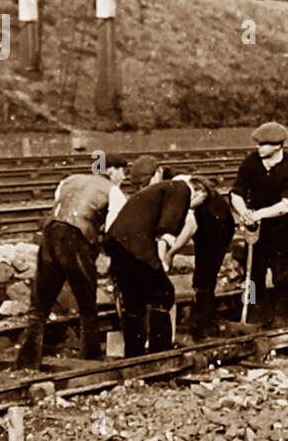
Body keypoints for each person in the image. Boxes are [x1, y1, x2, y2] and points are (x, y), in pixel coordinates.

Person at [17, 154, 131, 369]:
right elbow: (116, 229)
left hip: (50, 234)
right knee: (87, 302)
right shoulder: (113, 191)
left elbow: (61, 207)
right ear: (112, 170)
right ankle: (90, 357)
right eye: (122, 172)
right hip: (77, 239)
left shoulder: (68, 180)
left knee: (40, 304)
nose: (123, 178)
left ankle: (27, 360)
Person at [105, 176, 201, 358]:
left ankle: (134, 353)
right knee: (164, 294)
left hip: (116, 242)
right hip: (136, 245)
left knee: (133, 300)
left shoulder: (157, 191)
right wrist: (162, 261)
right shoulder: (182, 189)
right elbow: (165, 229)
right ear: (197, 190)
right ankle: (160, 350)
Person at [229, 122, 288, 328]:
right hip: (257, 233)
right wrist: (242, 210)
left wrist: (259, 214)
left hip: (282, 232)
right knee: (252, 277)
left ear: (278, 146)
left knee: (282, 277)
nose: (259, 148)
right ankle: (254, 314)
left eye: (264, 144)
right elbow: (236, 192)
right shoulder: (250, 163)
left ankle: (282, 318)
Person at [164, 176, 234, 340]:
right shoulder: (186, 187)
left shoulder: (208, 208)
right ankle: (205, 319)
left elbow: (189, 229)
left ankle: (201, 325)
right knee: (204, 276)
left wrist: (171, 252)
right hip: (212, 227)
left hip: (217, 232)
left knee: (204, 276)